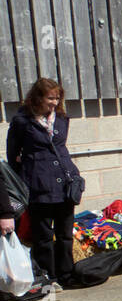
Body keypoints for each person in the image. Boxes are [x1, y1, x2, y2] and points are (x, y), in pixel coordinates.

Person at [6, 78, 83, 287]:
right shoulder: (22, 121)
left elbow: (61, 148)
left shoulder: (61, 118)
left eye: (57, 98)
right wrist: (27, 175)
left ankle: (67, 276)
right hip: (38, 186)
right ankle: (48, 278)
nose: (54, 102)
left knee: (65, 235)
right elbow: (12, 155)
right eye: (50, 98)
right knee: (43, 237)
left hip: (65, 184)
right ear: (38, 98)